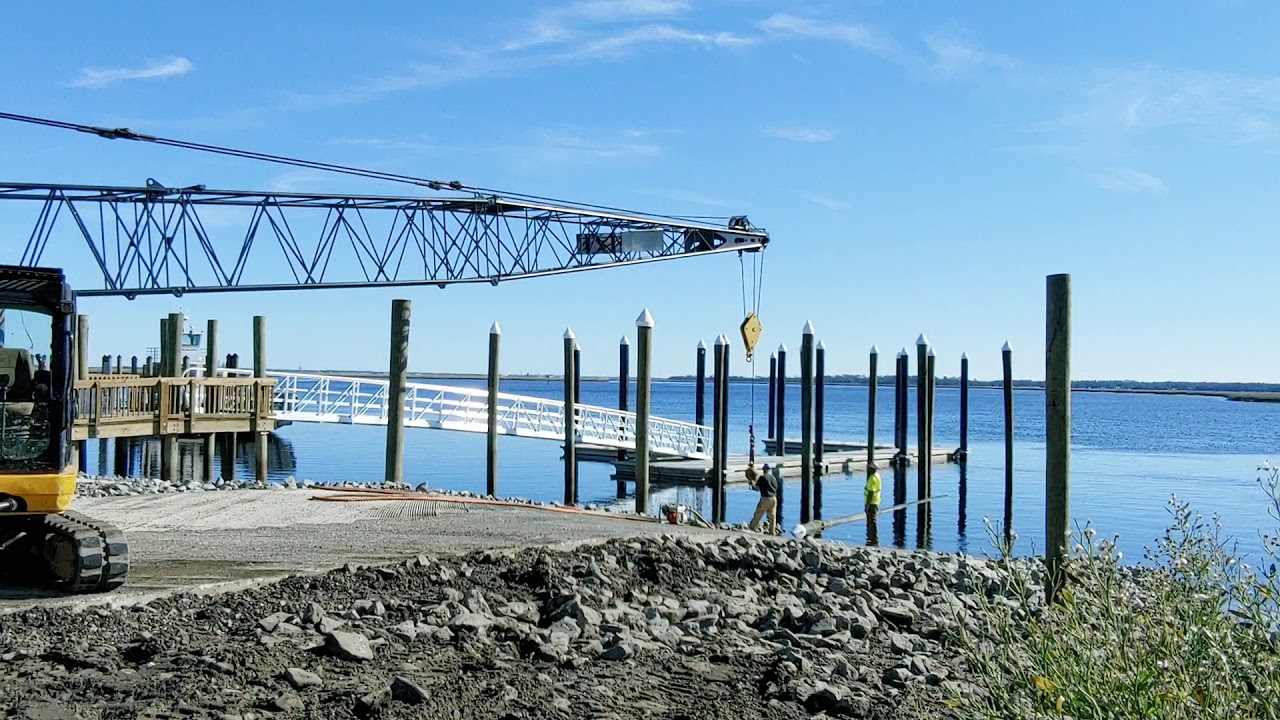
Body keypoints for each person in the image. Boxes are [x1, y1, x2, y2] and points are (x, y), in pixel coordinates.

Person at [748, 463, 779, 534]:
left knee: (758, 513)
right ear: (770, 470)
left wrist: (752, 484)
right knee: (772, 516)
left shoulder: (762, 478)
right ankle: (772, 531)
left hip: (766, 498)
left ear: (763, 470)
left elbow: (757, 488)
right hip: (774, 498)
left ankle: (752, 528)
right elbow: (776, 488)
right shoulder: (773, 478)